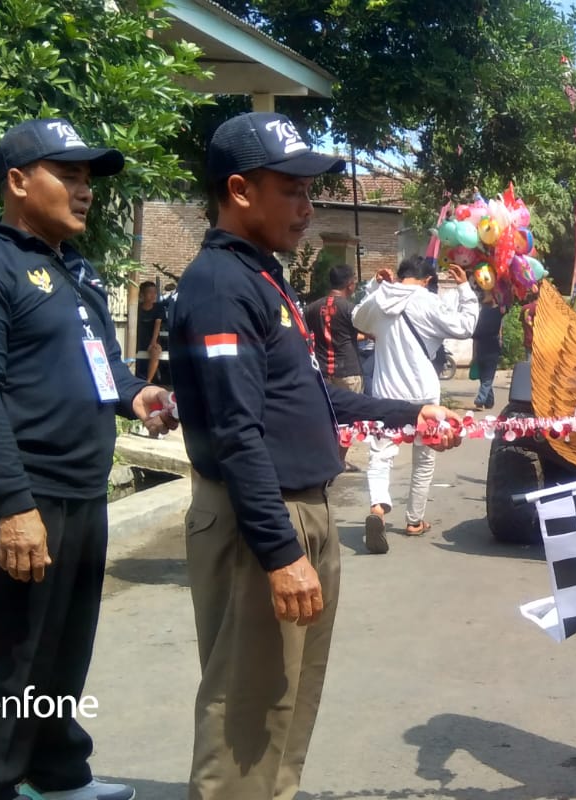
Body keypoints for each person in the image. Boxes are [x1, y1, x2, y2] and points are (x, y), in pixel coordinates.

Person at [168, 111, 459, 800]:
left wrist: (410, 411)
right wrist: (279, 552)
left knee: (288, 702)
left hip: (300, 508)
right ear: (240, 189)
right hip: (261, 519)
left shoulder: (261, 280)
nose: (306, 208)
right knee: (247, 708)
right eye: (291, 190)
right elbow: (238, 432)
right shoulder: (219, 287)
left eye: (309, 191)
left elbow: (311, 396)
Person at [0, 117, 174, 800]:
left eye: (87, 179)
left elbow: (102, 372)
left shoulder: (76, 271)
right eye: (66, 174)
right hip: (18, 492)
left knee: (63, 650)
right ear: (17, 181)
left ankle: (57, 771)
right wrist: (13, 508)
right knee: (3, 656)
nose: (84, 190)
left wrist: (139, 395)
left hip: (80, 489)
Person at [353, 257, 478, 550]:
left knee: (380, 455)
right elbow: (465, 326)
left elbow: (358, 318)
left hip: (386, 396)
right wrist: (464, 288)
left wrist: (374, 285)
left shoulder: (381, 297)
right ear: (426, 280)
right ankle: (414, 520)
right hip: (424, 397)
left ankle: (377, 510)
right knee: (424, 458)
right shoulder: (428, 301)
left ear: (402, 275)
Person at [304, 268, 364, 469]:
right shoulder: (351, 309)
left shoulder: (312, 308)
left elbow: (304, 334)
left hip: (321, 369)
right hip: (348, 369)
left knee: (326, 416)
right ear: (350, 284)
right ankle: (338, 460)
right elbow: (369, 332)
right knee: (349, 417)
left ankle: (326, 457)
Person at [471, 297, 504, 409]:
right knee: (487, 377)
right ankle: (488, 401)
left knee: (484, 377)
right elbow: (504, 307)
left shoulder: (479, 320)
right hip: (492, 349)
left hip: (482, 349)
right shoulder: (496, 315)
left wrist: (474, 355)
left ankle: (481, 399)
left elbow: (475, 340)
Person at [134, 280, 169, 386]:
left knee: (155, 352)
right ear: (142, 294)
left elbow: (157, 325)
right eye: (150, 292)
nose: (153, 295)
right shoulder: (136, 308)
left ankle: (148, 381)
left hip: (152, 340)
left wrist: (153, 342)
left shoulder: (159, 308)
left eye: (155, 292)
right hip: (137, 340)